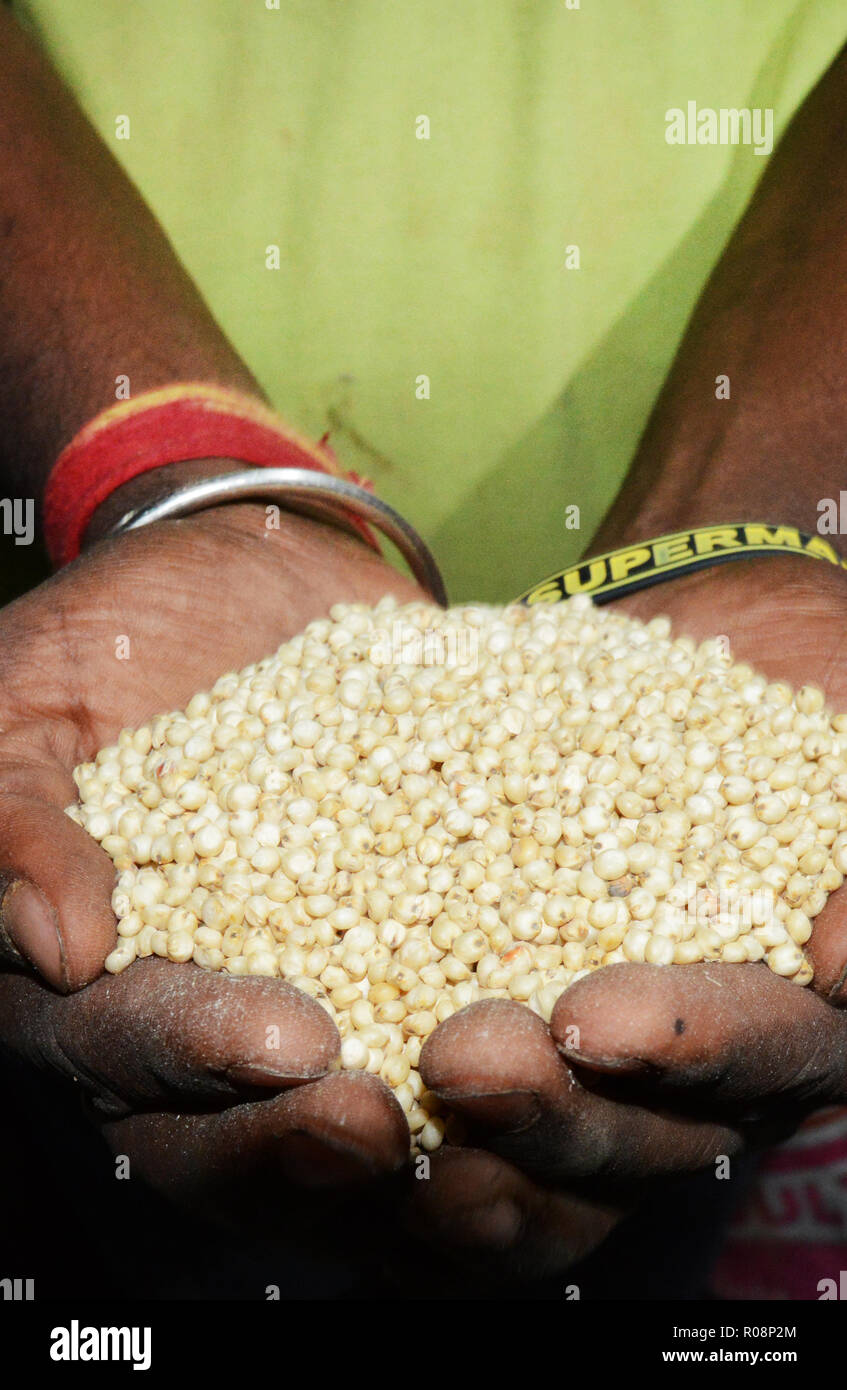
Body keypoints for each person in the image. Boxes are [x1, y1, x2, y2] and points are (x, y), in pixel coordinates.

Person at [2, 0, 847, 1299]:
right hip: (88, 489)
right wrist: (161, 464)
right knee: (118, 1233)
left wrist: (754, 516)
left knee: (653, 1149)